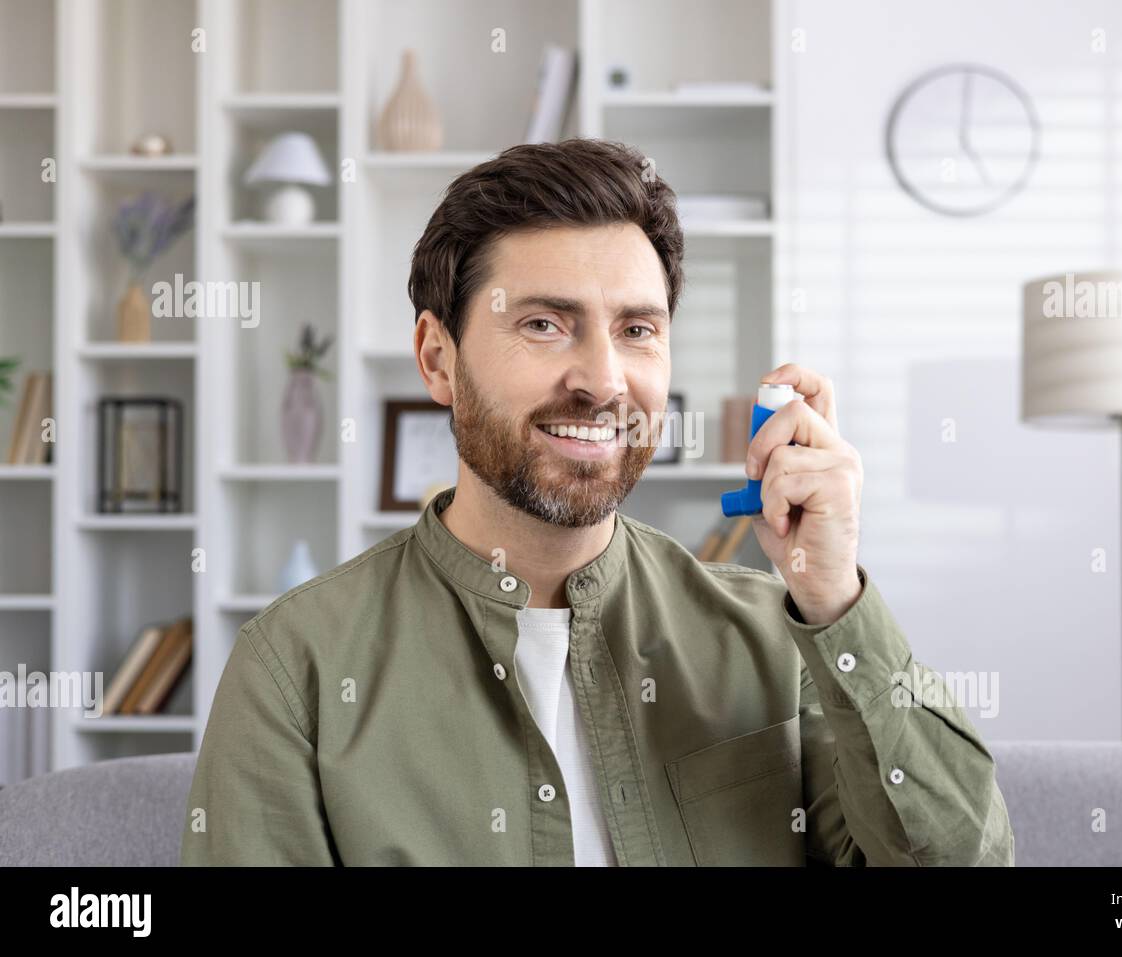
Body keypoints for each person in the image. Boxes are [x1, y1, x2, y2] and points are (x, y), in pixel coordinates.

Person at [181, 137, 1014, 866]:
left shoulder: (781, 638)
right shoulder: (296, 671)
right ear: (438, 358)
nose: (604, 380)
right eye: (544, 323)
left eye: (638, 330)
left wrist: (836, 600)